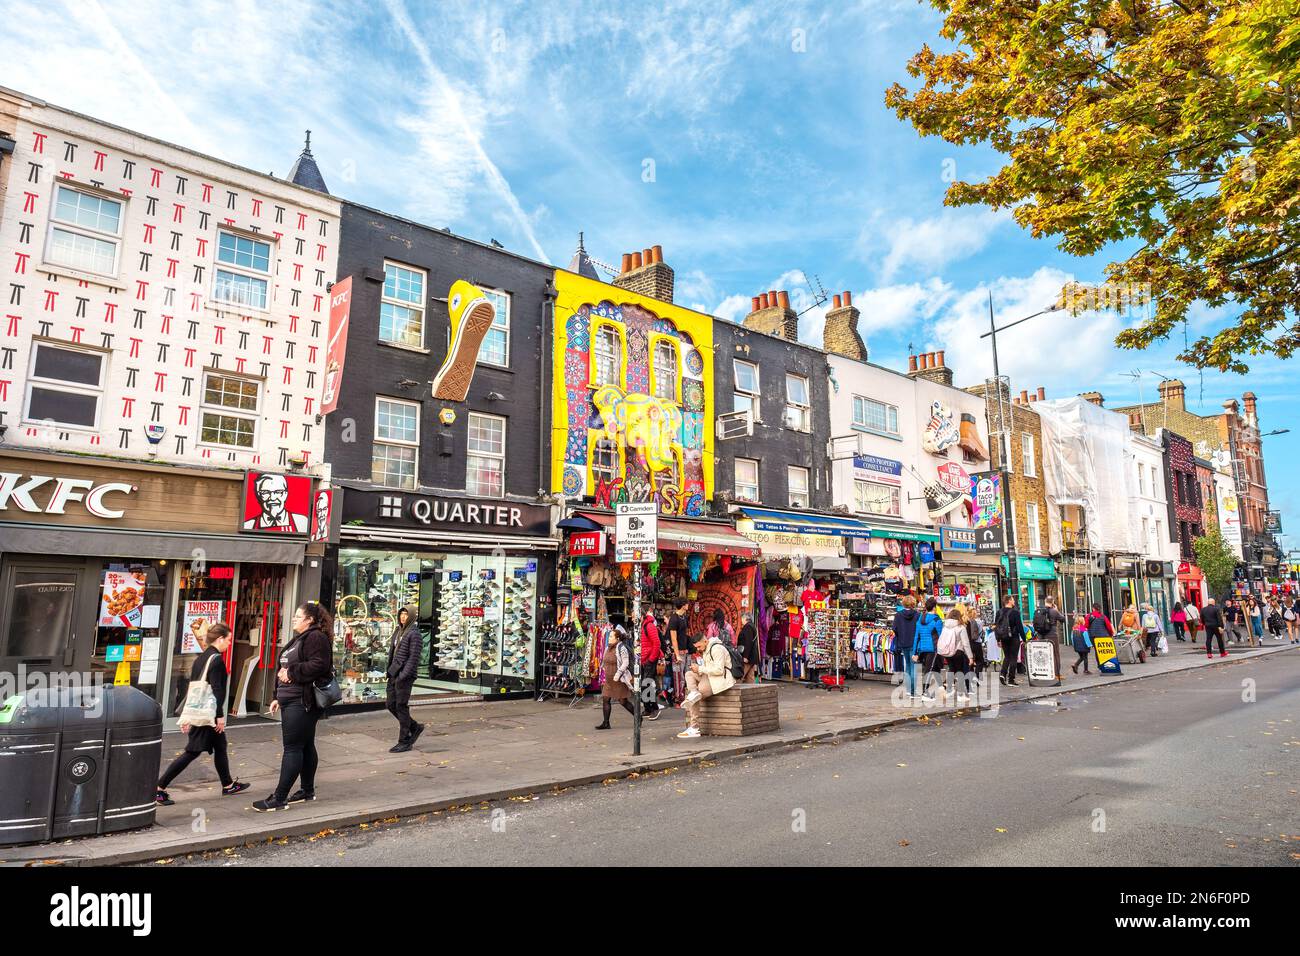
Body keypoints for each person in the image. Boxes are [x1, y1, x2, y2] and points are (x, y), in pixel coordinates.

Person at [156, 623, 249, 805]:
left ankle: (228, 784)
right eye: (229, 640)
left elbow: (193, 690)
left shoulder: (200, 660)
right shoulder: (216, 660)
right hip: (208, 715)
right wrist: (219, 716)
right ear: (220, 639)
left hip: (202, 711)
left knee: (220, 746)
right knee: (192, 751)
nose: (230, 644)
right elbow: (217, 690)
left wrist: (188, 715)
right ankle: (159, 788)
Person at [253, 602, 333, 812]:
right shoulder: (300, 638)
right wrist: (276, 695)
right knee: (305, 745)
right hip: (291, 699)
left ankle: (279, 798)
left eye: (298, 616)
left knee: (293, 748)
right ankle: (307, 790)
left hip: (302, 701)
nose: (294, 619)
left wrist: (292, 673)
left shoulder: (316, 637)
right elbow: (282, 668)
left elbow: (320, 665)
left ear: (310, 620)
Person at [677, 628, 736, 739]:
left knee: (694, 698)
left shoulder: (717, 649)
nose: (698, 649)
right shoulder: (706, 649)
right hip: (710, 676)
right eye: (696, 647)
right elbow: (708, 669)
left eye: (699, 646)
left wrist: (700, 668)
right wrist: (698, 669)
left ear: (705, 641)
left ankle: (694, 727)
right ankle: (694, 692)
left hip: (720, 679)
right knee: (689, 674)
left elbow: (719, 670)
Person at [386, 606, 425, 752]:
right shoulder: (398, 631)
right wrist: (389, 672)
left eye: (406, 614)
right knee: (390, 704)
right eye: (401, 614)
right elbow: (392, 653)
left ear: (412, 617)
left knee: (401, 706)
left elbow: (414, 658)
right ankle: (414, 727)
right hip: (394, 673)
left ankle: (405, 740)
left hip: (404, 676)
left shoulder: (414, 634)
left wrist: (403, 676)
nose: (403, 617)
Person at [595, 625, 636, 730]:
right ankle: (606, 723)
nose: (609, 638)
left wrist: (618, 674)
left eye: (611, 637)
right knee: (605, 699)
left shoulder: (621, 648)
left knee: (623, 701)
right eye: (609, 637)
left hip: (618, 679)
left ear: (617, 639)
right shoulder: (608, 647)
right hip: (609, 680)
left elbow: (625, 662)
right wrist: (603, 668)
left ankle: (638, 717)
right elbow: (604, 660)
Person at [935, 606, 974, 704]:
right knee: (960, 672)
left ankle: (949, 690)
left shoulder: (945, 626)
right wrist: (970, 656)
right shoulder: (961, 627)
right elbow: (965, 643)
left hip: (947, 653)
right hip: (958, 652)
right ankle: (960, 695)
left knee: (951, 669)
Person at [912, 597, 943, 702]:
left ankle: (936, 689)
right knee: (929, 670)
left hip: (922, 649)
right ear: (934, 607)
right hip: (933, 648)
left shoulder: (920, 619)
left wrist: (915, 652)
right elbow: (941, 636)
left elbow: (916, 636)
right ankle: (925, 693)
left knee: (930, 669)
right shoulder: (936, 620)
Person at [891, 595, 921, 701]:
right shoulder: (918, 615)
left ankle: (908, 690)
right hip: (914, 643)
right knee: (914, 667)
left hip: (903, 643)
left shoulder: (898, 615)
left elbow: (894, 629)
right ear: (913, 603)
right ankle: (913, 691)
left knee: (907, 666)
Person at [994, 595, 1025, 686]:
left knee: (1007, 656)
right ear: (1009, 601)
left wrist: (998, 639)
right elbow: (1019, 627)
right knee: (1013, 658)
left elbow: (997, 626)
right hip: (1013, 637)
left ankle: (1003, 674)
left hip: (1003, 637)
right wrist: (1024, 639)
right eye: (1013, 600)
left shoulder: (999, 612)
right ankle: (1011, 679)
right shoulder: (1015, 613)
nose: (1014, 601)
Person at [666, 599, 691, 706]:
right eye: (686, 604)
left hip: (685, 650)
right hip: (678, 652)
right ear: (683, 605)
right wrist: (676, 654)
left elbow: (685, 634)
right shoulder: (674, 619)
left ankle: (682, 696)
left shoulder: (684, 617)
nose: (688, 605)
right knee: (678, 676)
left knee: (685, 675)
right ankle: (678, 699)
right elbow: (673, 638)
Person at [639, 608, 662, 720]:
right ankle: (648, 708)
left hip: (649, 660)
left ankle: (654, 708)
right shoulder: (642, 626)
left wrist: (651, 659)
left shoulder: (649, 626)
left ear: (641, 616)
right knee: (646, 684)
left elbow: (657, 643)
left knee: (647, 684)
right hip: (644, 660)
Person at [737, 611, 760, 684]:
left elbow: (748, 642)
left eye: (742, 618)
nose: (741, 620)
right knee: (750, 678)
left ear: (745, 618)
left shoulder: (748, 627)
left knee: (740, 675)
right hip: (752, 656)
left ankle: (735, 692)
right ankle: (751, 693)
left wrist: (745, 656)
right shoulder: (752, 626)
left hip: (748, 657)